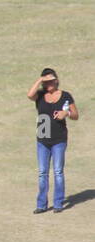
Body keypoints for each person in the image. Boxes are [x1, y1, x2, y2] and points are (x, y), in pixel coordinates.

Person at [28, 68, 78, 213]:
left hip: (59, 140)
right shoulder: (41, 95)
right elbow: (29, 95)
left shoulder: (66, 96)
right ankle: (41, 205)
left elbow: (75, 115)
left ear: (56, 80)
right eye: (46, 82)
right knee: (43, 173)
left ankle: (58, 203)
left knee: (58, 171)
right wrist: (40, 80)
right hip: (42, 140)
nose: (48, 84)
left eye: (50, 81)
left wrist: (66, 113)